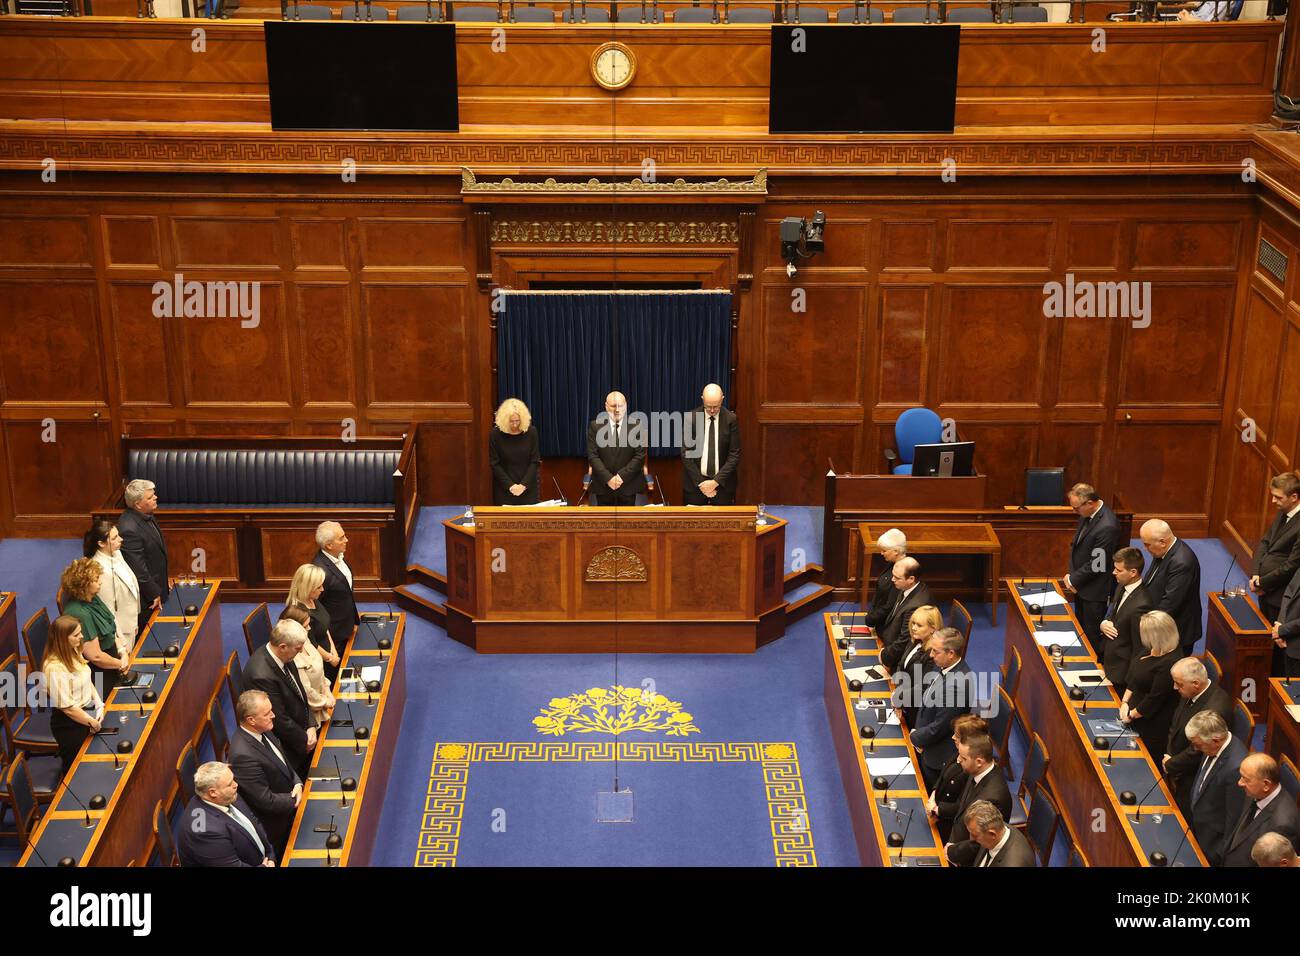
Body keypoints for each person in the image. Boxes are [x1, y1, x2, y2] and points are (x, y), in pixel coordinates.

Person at [227, 690, 303, 858]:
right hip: (278, 825)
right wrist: (296, 800)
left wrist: (297, 783)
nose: (273, 715)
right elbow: (265, 801)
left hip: (289, 802)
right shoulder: (242, 755)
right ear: (251, 720)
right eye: (267, 713)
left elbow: (284, 762)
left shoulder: (264, 728)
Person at [241, 619, 318, 780]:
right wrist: (305, 740)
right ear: (283, 647)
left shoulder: (283, 656)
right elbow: (279, 720)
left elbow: (299, 690)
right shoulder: (261, 675)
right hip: (287, 746)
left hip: (300, 727)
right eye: (298, 648)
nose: (301, 651)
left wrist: (311, 723)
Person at [1163, 656, 1234, 814]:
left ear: (1195, 683)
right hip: (1177, 758)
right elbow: (1176, 722)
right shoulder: (1190, 692)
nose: (1175, 688)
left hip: (1195, 773)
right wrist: (1169, 753)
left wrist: (1172, 764)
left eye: (1179, 684)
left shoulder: (1214, 711)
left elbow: (1198, 751)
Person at [177, 761, 276, 868]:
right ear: (213, 792)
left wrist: (270, 854)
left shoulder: (227, 795)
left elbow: (253, 822)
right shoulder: (203, 831)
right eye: (229, 784)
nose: (236, 785)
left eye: (233, 779)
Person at [909, 627, 973, 790]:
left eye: (935, 651)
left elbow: (940, 728)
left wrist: (914, 737)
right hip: (925, 739)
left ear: (951, 653)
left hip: (936, 756)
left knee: (927, 792)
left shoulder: (956, 686)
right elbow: (927, 688)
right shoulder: (944, 664)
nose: (931, 655)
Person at [40, 615, 104, 777]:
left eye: (80, 632)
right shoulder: (54, 668)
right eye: (76, 635)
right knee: (78, 772)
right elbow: (68, 709)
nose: (81, 637)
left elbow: (86, 678)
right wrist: (91, 721)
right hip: (69, 726)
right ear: (63, 639)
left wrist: (99, 703)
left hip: (86, 712)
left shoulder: (74, 649)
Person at [1063, 483, 1122, 654]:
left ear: (1089, 503)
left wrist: (1073, 579)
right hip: (1082, 585)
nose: (1075, 512)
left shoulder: (1107, 526)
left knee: (1092, 635)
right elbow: (1078, 546)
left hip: (1095, 591)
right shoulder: (1088, 514)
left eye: (1076, 508)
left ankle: (1094, 669)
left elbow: (1098, 564)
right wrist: (1073, 577)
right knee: (1081, 628)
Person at [1184, 711, 1247, 866]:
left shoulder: (1235, 768)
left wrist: (1219, 853)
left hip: (1211, 844)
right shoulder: (1213, 745)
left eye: (1198, 745)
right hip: (1198, 826)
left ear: (1216, 740)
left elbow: (1234, 818)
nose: (1196, 749)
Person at [60, 558, 128, 700]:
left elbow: (110, 628)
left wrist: (122, 651)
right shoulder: (79, 613)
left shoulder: (93, 598)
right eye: (96, 579)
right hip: (98, 676)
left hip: (111, 662)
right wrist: (120, 664)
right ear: (84, 585)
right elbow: (95, 657)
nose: (100, 582)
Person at [943, 733, 1013, 867]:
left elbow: (979, 843)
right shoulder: (977, 771)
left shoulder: (993, 798)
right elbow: (963, 803)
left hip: (964, 856)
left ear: (979, 761)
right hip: (956, 838)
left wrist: (952, 851)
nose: (958, 760)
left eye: (963, 758)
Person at [86, 518, 140, 683]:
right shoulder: (100, 570)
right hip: (121, 629)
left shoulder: (116, 553)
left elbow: (130, 581)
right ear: (101, 544)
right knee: (124, 671)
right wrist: (121, 642)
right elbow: (109, 609)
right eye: (115, 538)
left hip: (131, 620)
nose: (120, 540)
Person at [1120, 610, 1180, 758]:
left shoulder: (1170, 663)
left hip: (1151, 722)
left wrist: (1130, 716)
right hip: (1133, 710)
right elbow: (1135, 676)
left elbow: (1155, 698)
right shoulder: (1152, 648)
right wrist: (1124, 701)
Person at [1222, 754, 1300, 867]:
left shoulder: (1284, 825)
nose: (1239, 783)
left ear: (1266, 785)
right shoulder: (1255, 791)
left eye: (1246, 779)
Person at [1139, 519, 1202, 655]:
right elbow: (1151, 580)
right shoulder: (1163, 550)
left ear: (1162, 542)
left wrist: (1144, 623)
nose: (1145, 548)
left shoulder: (1182, 563)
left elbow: (1170, 603)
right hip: (1162, 624)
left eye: (1147, 544)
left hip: (1176, 632)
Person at [117, 478, 169, 635]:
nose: (155, 497)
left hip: (158, 586)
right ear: (138, 504)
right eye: (150, 497)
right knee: (150, 637)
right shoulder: (129, 529)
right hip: (147, 599)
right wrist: (154, 592)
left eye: (154, 494)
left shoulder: (146, 515)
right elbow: (138, 569)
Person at [927, 714, 989, 843]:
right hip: (936, 810)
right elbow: (944, 774)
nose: (953, 737)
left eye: (957, 736)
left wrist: (938, 810)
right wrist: (933, 795)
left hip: (948, 825)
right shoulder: (959, 752)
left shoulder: (971, 768)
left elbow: (964, 805)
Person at [1098, 547, 1151, 695]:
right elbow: (1112, 614)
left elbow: (1140, 649)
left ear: (1133, 572)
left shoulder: (1142, 605)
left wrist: (1130, 685)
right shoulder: (1121, 586)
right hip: (1108, 661)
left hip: (1122, 674)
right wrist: (1104, 623)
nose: (1114, 572)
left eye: (1118, 570)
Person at [1251, 472, 1300, 624]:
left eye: (1279, 497)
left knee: (1274, 641)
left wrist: (1262, 583)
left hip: (1279, 594)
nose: (1273, 501)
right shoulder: (1283, 512)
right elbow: (1265, 542)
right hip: (1263, 588)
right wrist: (1255, 575)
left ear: (1294, 497)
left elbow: (1292, 565)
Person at [681, 383, 741, 506]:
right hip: (695, 485)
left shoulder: (731, 419)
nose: (712, 410)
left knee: (725, 524)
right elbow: (686, 453)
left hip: (723, 486)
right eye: (708, 406)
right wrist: (702, 484)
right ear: (702, 399)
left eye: (716, 406)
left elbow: (734, 455)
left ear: (722, 399)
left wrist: (715, 482)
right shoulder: (691, 419)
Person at [586, 391, 646, 506]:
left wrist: (620, 477)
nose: (617, 410)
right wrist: (608, 479)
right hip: (603, 487)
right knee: (604, 524)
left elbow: (640, 456)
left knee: (628, 524)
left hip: (628, 486)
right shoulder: (595, 426)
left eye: (621, 406)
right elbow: (593, 456)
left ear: (626, 406)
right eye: (613, 406)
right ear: (606, 406)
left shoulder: (637, 426)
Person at [286, 563, 342, 686]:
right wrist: (329, 658)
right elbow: (310, 643)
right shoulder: (299, 613)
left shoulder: (313, 600)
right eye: (318, 587)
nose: (322, 589)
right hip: (316, 663)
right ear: (307, 587)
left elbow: (325, 627)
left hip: (329, 652)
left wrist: (333, 651)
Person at [280, 605, 335, 727]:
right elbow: (306, 692)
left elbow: (319, 670)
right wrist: (325, 701)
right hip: (311, 718)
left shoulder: (304, 639)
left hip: (324, 702)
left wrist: (327, 689)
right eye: (305, 626)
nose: (309, 628)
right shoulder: (292, 655)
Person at [888, 604, 941, 727]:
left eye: (919, 625)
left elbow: (922, 689)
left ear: (933, 629)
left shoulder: (933, 655)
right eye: (913, 623)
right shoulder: (915, 640)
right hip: (903, 699)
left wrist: (900, 698)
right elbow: (902, 667)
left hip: (916, 713)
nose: (914, 628)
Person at [877, 557, 934, 671]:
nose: (892, 579)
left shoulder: (916, 605)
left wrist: (885, 657)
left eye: (897, 578)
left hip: (898, 660)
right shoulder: (907, 587)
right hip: (887, 643)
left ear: (911, 579)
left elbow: (905, 640)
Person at [312, 521, 359, 653]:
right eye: (341, 538)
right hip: (335, 636)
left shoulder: (337, 556)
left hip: (347, 626)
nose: (346, 540)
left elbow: (346, 592)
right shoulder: (320, 572)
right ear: (329, 545)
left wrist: (353, 621)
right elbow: (315, 609)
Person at [489, 397, 542, 505]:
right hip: (504, 489)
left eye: (517, 421)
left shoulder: (531, 432)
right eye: (511, 421)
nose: (514, 424)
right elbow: (495, 463)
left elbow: (535, 461)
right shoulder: (495, 434)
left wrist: (523, 485)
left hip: (528, 489)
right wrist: (511, 486)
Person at [964, 800, 1036, 867]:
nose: (971, 839)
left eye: (975, 835)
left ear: (992, 834)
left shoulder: (1013, 864)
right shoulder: (996, 825)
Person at [863, 529, 907, 633]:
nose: (881, 553)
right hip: (878, 617)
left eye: (884, 550)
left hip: (886, 625)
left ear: (896, 551)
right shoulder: (891, 564)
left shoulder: (901, 573)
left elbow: (890, 605)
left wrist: (871, 619)